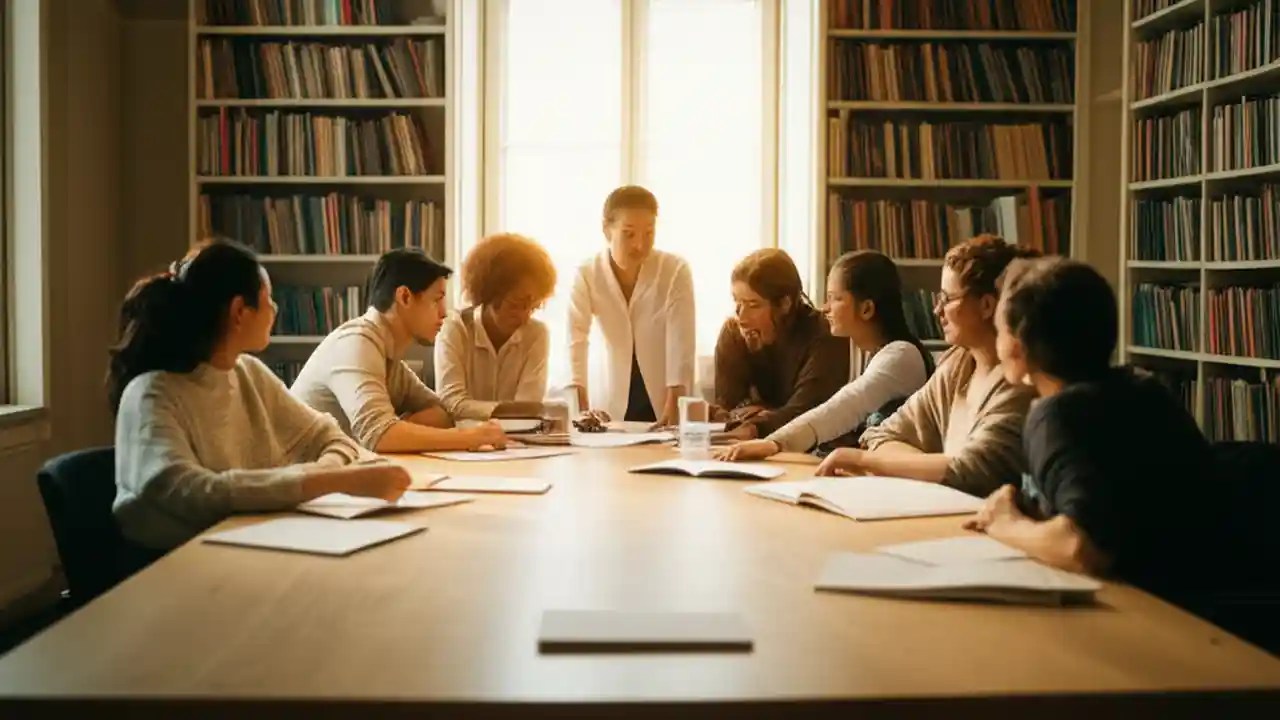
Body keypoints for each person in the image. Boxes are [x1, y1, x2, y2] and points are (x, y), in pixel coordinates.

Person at [109, 239, 411, 551]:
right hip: (174, 564)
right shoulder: (152, 394)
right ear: (240, 311)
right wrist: (335, 482)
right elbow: (190, 492)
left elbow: (331, 437)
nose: (276, 309)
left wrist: (325, 472)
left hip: (250, 543)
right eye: (268, 299)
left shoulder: (247, 372)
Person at [965, 258, 1221, 613]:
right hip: (1210, 594)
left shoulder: (1055, 415)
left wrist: (1006, 524)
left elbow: (1081, 548)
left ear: (1018, 346)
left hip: (1160, 615)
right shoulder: (1144, 389)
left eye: (999, 330)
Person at [815, 234, 1037, 497]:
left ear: (987, 305)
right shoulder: (957, 363)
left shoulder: (1022, 379)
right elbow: (880, 435)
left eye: (947, 298)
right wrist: (931, 469)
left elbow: (974, 471)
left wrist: (867, 462)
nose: (936, 311)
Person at [717, 250, 934, 461]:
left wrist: (770, 442)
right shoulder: (864, 352)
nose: (825, 308)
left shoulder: (901, 356)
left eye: (834, 298)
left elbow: (842, 408)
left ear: (866, 309)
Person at [291, 249, 507, 452]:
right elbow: (379, 435)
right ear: (404, 297)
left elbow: (443, 413)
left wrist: (400, 429)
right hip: (301, 480)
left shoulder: (389, 359)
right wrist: (471, 438)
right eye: (437, 300)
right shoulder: (355, 342)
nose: (444, 313)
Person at [569, 185, 695, 426]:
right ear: (607, 230)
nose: (639, 245)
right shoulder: (587, 273)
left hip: (662, 395)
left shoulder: (674, 269)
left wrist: (675, 405)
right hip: (608, 397)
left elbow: (681, 341)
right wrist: (580, 406)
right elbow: (575, 339)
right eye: (629, 234)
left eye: (649, 233)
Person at [711, 249, 850, 442]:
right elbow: (725, 410)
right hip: (746, 447)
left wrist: (761, 416)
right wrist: (766, 415)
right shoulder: (733, 333)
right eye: (737, 302)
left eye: (753, 305)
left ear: (785, 304)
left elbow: (805, 414)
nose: (741, 317)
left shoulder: (825, 335)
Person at [434, 233, 555, 420]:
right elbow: (451, 402)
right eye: (516, 304)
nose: (524, 317)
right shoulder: (455, 328)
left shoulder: (537, 334)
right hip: (460, 442)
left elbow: (528, 407)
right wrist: (510, 413)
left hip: (519, 443)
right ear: (488, 294)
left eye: (533, 307)